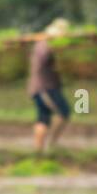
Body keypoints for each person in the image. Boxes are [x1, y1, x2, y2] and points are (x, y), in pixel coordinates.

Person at [28, 18, 73, 153]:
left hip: (38, 87)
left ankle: (39, 150)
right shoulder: (45, 45)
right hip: (45, 87)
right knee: (64, 111)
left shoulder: (42, 44)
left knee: (43, 118)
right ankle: (50, 145)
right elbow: (42, 61)